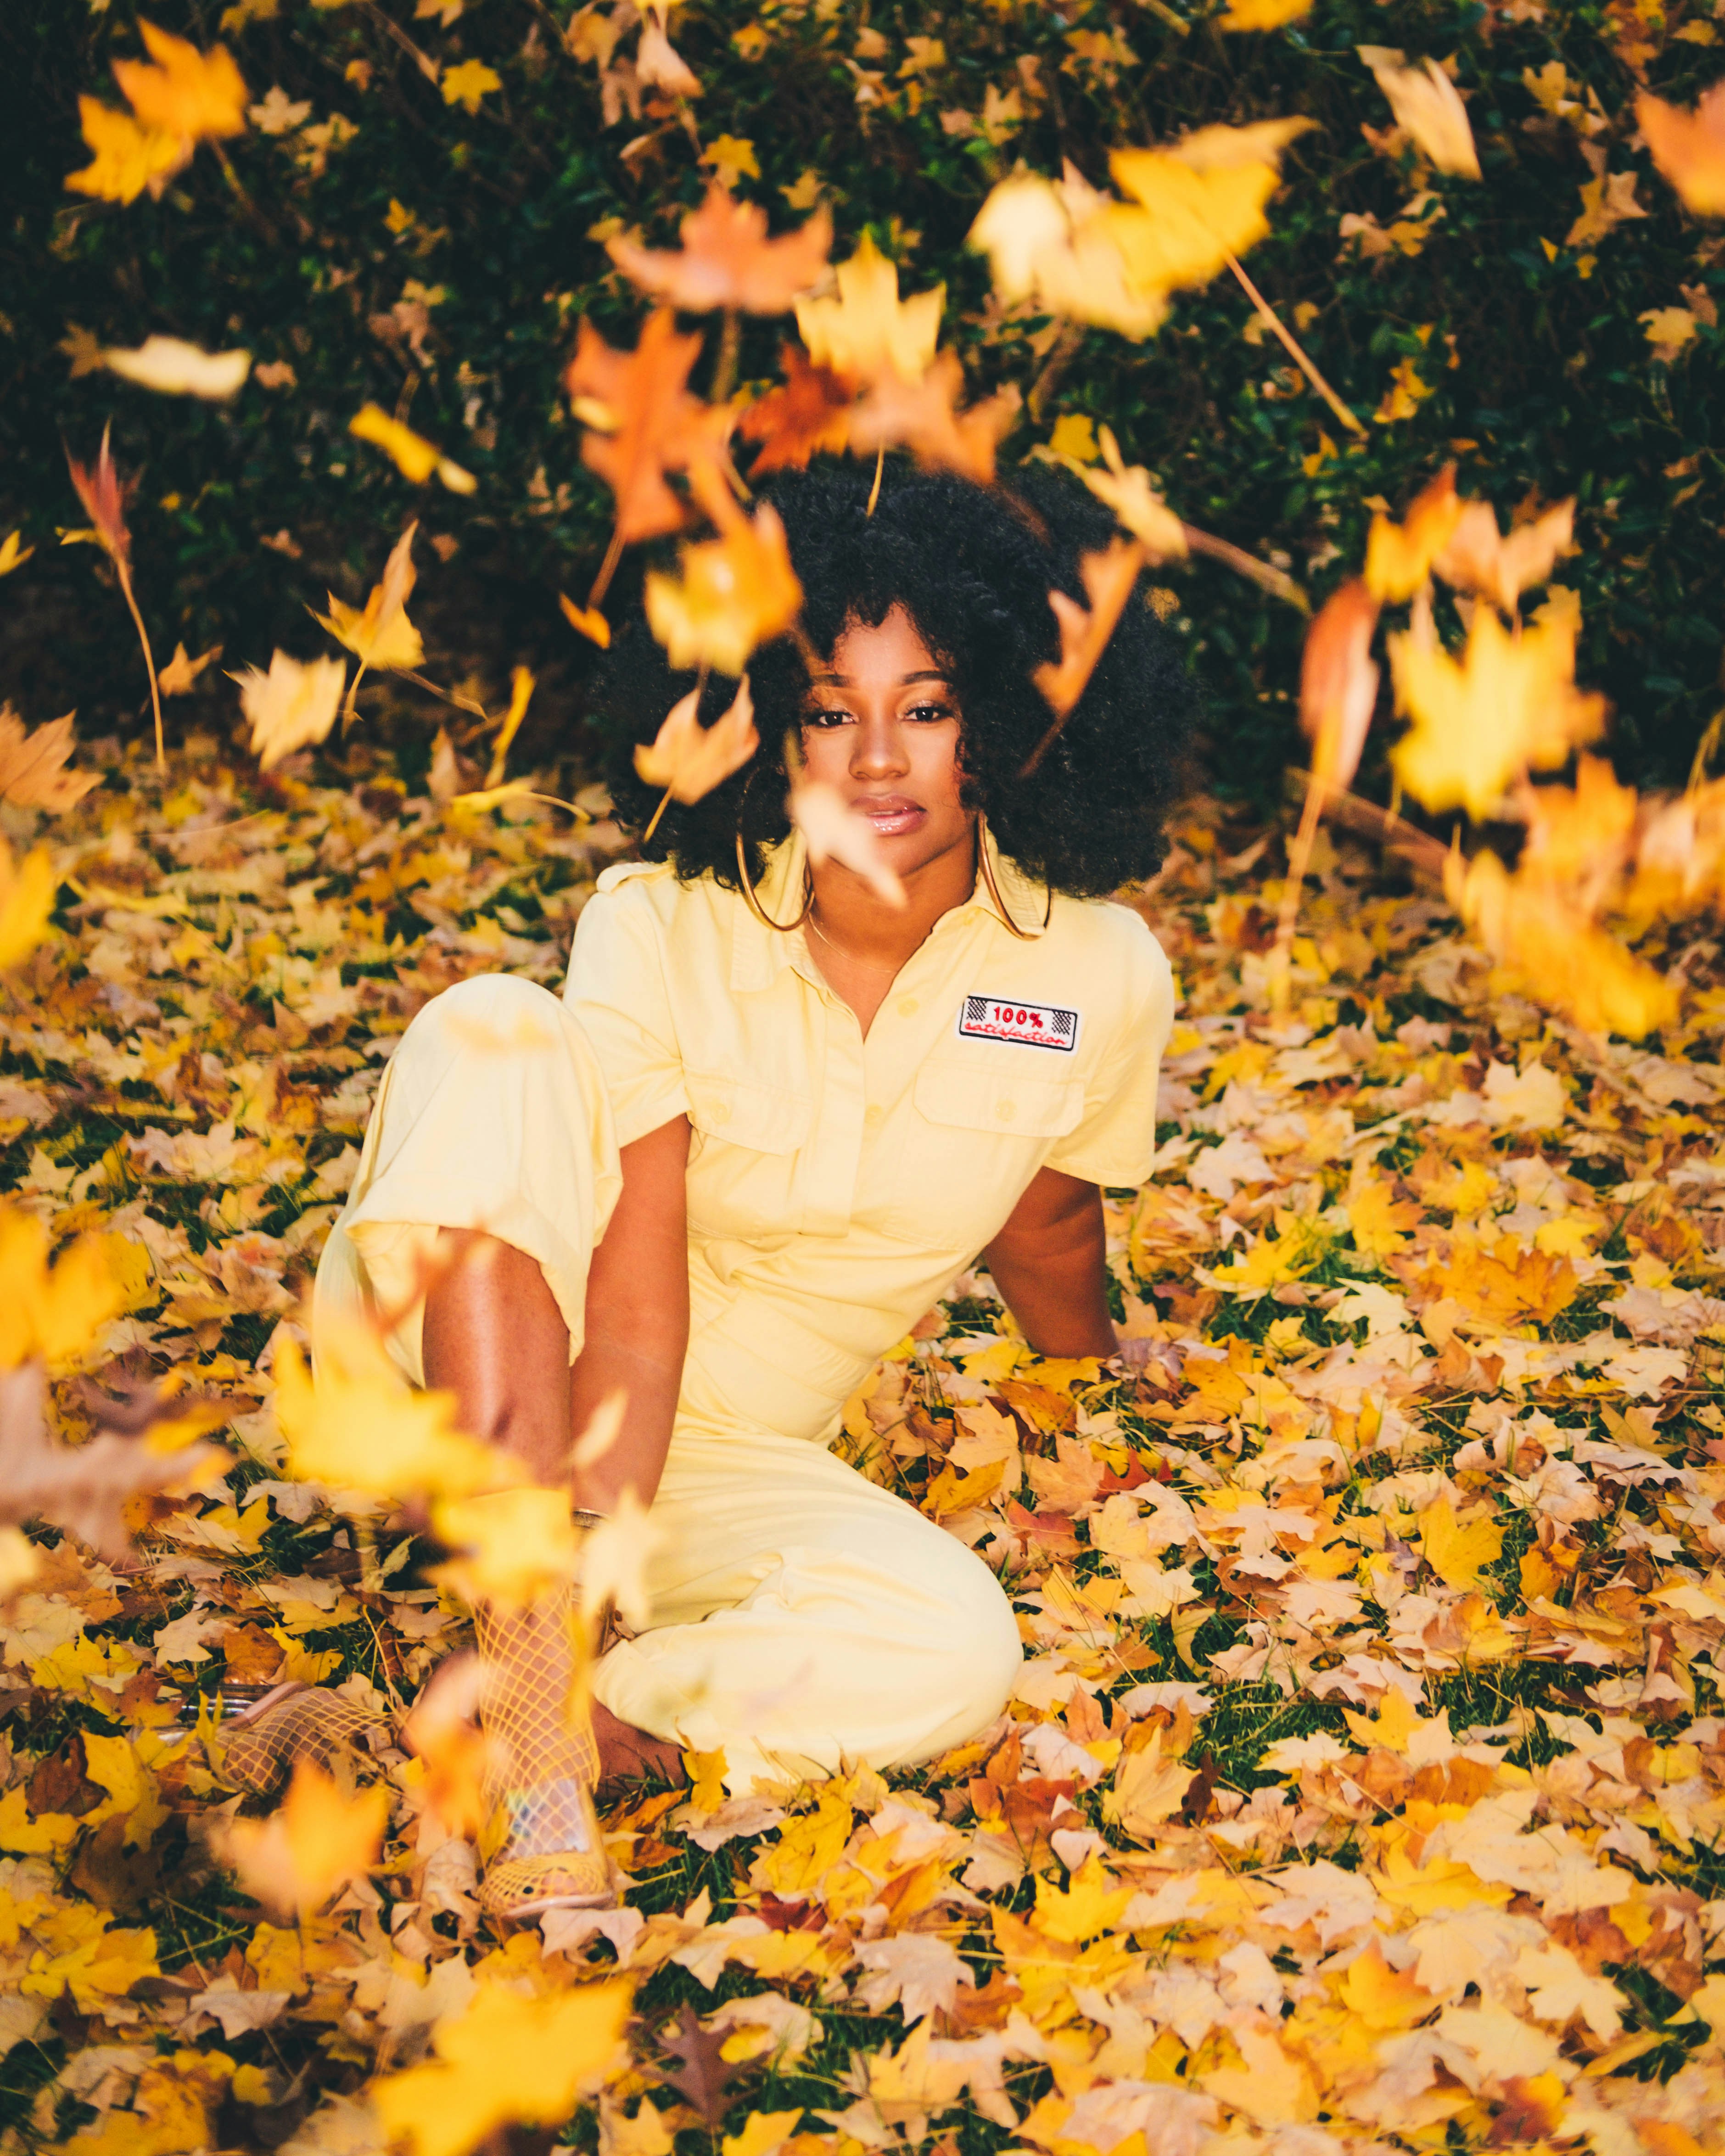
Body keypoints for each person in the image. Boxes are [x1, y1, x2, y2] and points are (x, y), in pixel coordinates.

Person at [261, 459, 1191, 1919]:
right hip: (488, 1360)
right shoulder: (663, 920)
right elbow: (631, 1313)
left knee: (957, 1649)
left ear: (1004, 721)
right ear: (770, 723)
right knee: (494, 1027)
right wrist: (594, 1566)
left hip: (735, 1464)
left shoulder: (1097, 973)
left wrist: (1103, 1367)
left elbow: (1050, 1218)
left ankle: (476, 1708)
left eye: (928, 705)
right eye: (831, 707)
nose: (878, 757)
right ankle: (538, 1729)